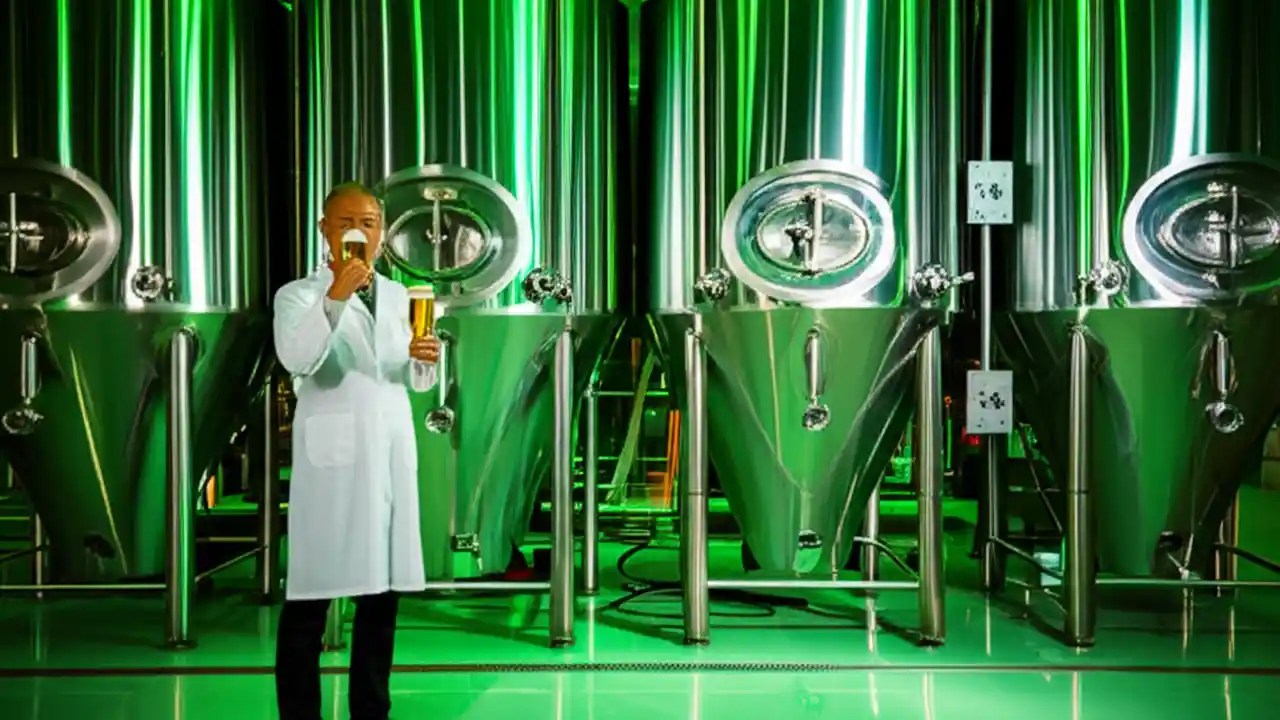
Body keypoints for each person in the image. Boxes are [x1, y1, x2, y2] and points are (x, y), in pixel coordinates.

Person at [272, 182, 439, 720]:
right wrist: (337, 296)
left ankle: (372, 712)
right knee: (308, 603)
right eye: (347, 221)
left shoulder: (403, 296)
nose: (359, 231)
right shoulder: (298, 295)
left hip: (388, 456)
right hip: (332, 466)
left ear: (381, 231)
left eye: (369, 222)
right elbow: (299, 359)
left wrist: (426, 359)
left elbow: (413, 382)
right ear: (325, 229)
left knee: (381, 600)